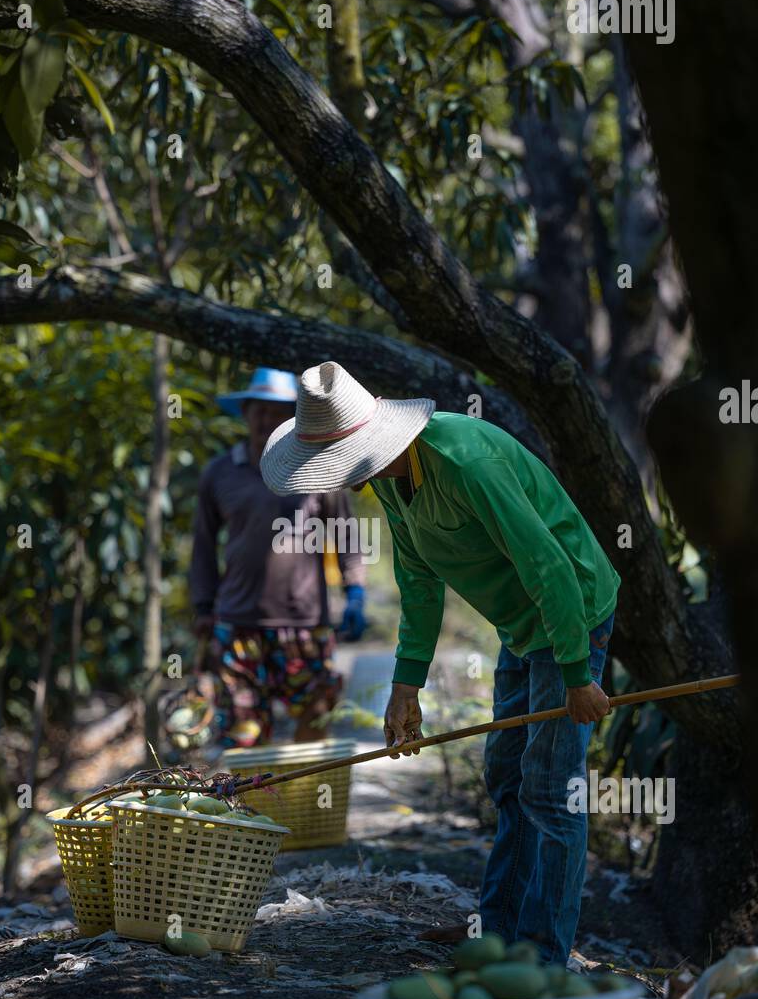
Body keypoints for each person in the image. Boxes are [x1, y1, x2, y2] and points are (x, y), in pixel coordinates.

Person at [260, 362, 621, 965]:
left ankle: (543, 954)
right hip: (519, 625)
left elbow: (550, 568)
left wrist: (578, 676)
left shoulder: (465, 463)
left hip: (571, 614)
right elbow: (418, 581)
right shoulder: (391, 482)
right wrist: (406, 687)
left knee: (552, 789)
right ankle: (499, 927)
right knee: (507, 776)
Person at [190, 367, 368, 748]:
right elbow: (203, 545)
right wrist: (203, 607)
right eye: (260, 411)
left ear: (293, 418)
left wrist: (355, 591)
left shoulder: (317, 467)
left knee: (314, 724)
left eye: (279, 412)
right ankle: (251, 805)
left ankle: (305, 805)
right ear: (246, 413)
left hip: (304, 625)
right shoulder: (220, 473)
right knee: (243, 738)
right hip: (239, 626)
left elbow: (346, 533)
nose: (268, 420)